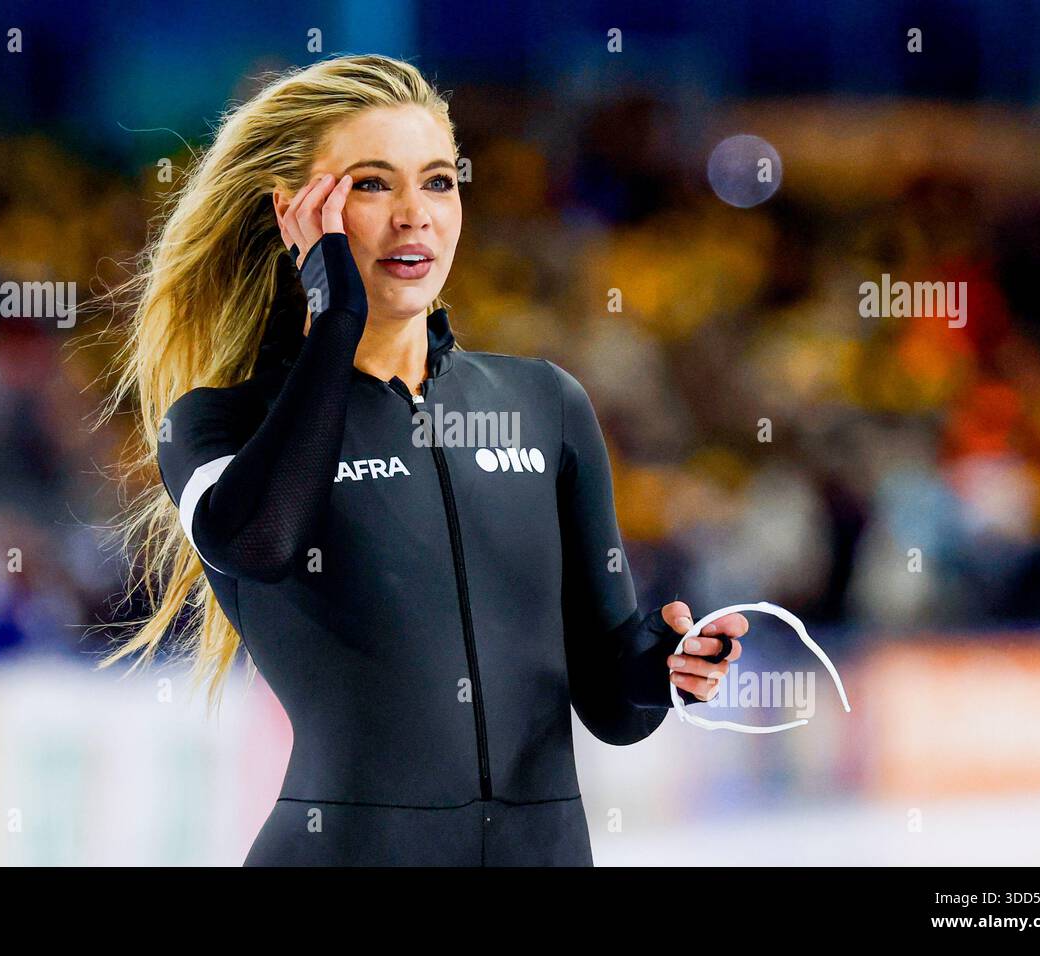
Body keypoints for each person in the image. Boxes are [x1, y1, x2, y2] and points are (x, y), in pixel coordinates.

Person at [103, 53, 749, 866]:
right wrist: (335, 314)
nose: (417, 214)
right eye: (372, 185)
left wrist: (663, 662)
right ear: (296, 214)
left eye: (439, 182)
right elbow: (261, 543)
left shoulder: (544, 405)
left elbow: (614, 706)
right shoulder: (217, 425)